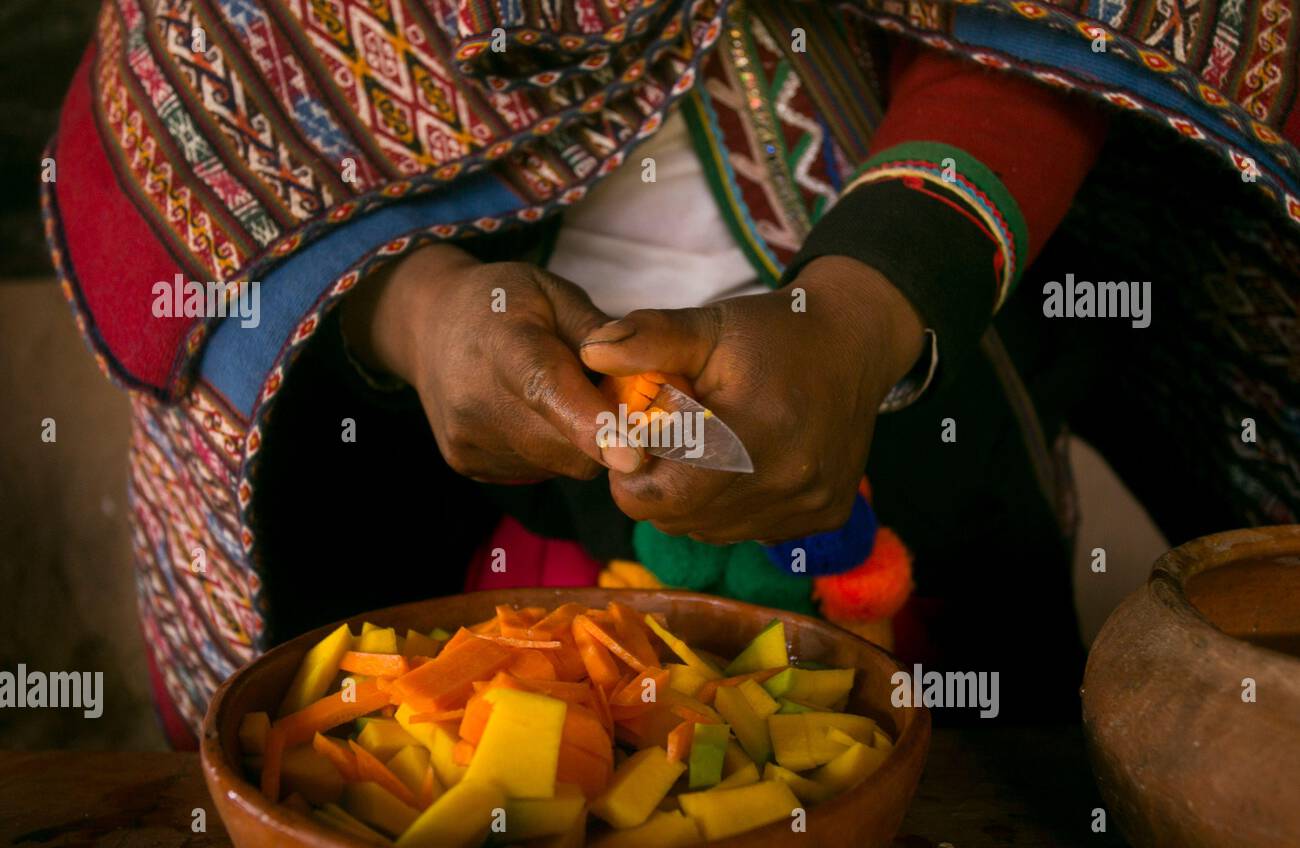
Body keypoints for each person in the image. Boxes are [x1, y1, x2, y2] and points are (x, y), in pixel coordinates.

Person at [45, 1, 1299, 745]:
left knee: (960, 790)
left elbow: (1060, 26)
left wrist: (865, 311)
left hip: (908, 400)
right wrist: (412, 315)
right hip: (446, 490)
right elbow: (200, 118)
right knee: (487, 777)